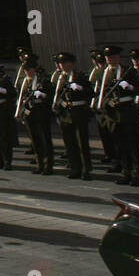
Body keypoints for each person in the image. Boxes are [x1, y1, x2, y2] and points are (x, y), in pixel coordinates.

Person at [99, 46, 139, 186]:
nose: (110, 59)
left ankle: (136, 174)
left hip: (127, 112)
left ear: (118, 57)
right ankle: (126, 172)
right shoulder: (103, 73)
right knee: (120, 145)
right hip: (112, 114)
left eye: (113, 57)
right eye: (108, 57)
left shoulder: (128, 72)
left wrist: (130, 87)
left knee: (133, 145)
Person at [51, 52, 93, 180]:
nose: (62, 65)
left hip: (78, 112)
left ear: (72, 64)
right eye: (60, 63)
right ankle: (75, 168)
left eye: (65, 63)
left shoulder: (80, 77)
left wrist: (80, 88)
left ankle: (86, 169)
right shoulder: (59, 78)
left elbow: (91, 93)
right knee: (70, 143)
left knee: (82, 143)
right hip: (65, 113)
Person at [19, 57, 54, 175]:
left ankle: (48, 164)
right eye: (25, 70)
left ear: (34, 69)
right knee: (35, 140)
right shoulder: (25, 81)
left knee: (45, 139)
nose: (27, 72)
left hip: (41, 112)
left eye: (29, 69)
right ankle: (40, 164)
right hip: (29, 113)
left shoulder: (43, 80)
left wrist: (43, 95)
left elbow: (51, 95)